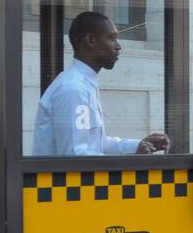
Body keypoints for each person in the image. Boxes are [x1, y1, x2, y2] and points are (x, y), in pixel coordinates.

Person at [32, 11, 170, 157]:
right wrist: (130, 160)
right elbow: (74, 156)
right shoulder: (73, 88)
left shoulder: (81, 83)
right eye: (112, 38)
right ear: (90, 40)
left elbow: (96, 144)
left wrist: (138, 146)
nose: (118, 46)